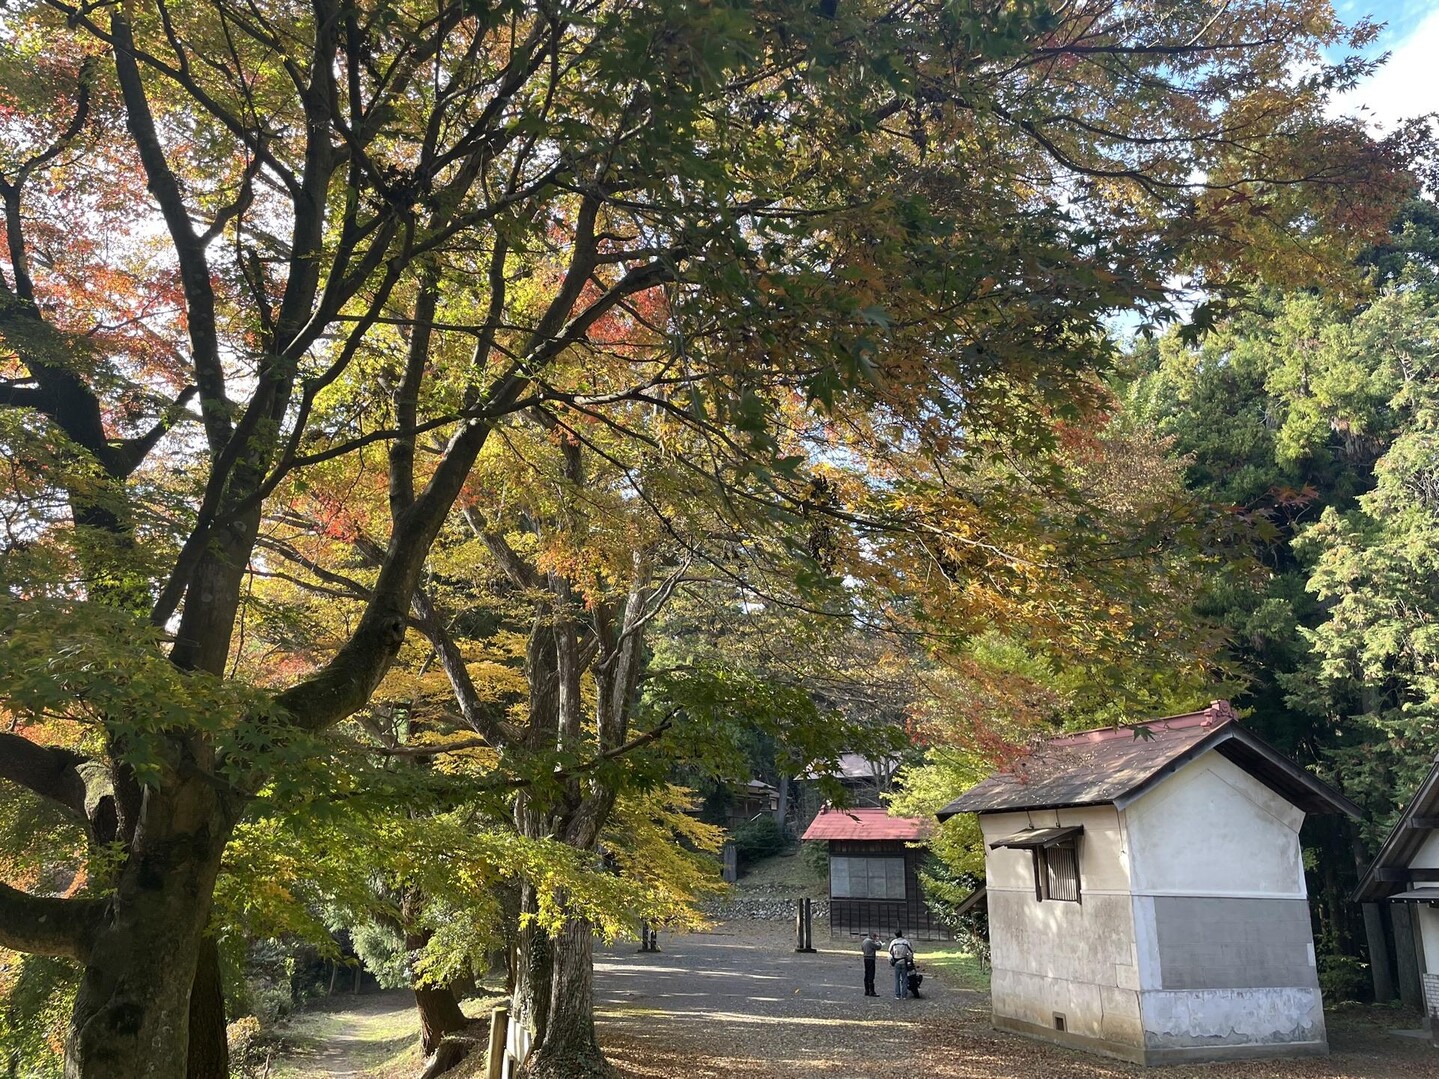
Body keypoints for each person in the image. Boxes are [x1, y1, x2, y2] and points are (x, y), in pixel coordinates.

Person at [888, 929, 915, 998]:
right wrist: (909, 958)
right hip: (904, 961)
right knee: (904, 978)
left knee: (897, 979)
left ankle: (897, 994)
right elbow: (911, 951)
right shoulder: (905, 942)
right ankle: (904, 995)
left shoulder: (894, 942)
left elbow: (890, 951)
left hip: (896, 961)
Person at [860, 931, 880, 996]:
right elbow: (878, 947)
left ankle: (867, 990)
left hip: (865, 958)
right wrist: (878, 942)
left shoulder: (864, 941)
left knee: (866, 973)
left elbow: (862, 948)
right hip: (871, 958)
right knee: (871, 974)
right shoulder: (870, 941)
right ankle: (872, 991)